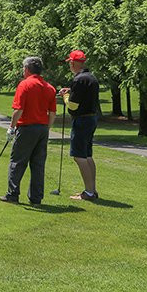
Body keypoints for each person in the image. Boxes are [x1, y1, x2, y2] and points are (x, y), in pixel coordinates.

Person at [0, 56, 57, 205]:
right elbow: (52, 113)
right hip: (43, 129)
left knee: (17, 162)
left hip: (26, 128)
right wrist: (47, 129)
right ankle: (36, 198)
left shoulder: (24, 85)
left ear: (26, 69)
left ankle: (13, 195)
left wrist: (11, 128)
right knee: (38, 164)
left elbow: (18, 110)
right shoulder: (50, 88)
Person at [59, 49, 101, 200]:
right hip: (91, 119)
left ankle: (89, 192)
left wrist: (65, 96)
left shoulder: (78, 79)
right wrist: (70, 90)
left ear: (74, 63)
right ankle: (92, 190)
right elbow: (84, 94)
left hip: (82, 120)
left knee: (79, 156)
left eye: (70, 62)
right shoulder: (91, 77)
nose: (69, 64)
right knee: (87, 155)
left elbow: (72, 106)